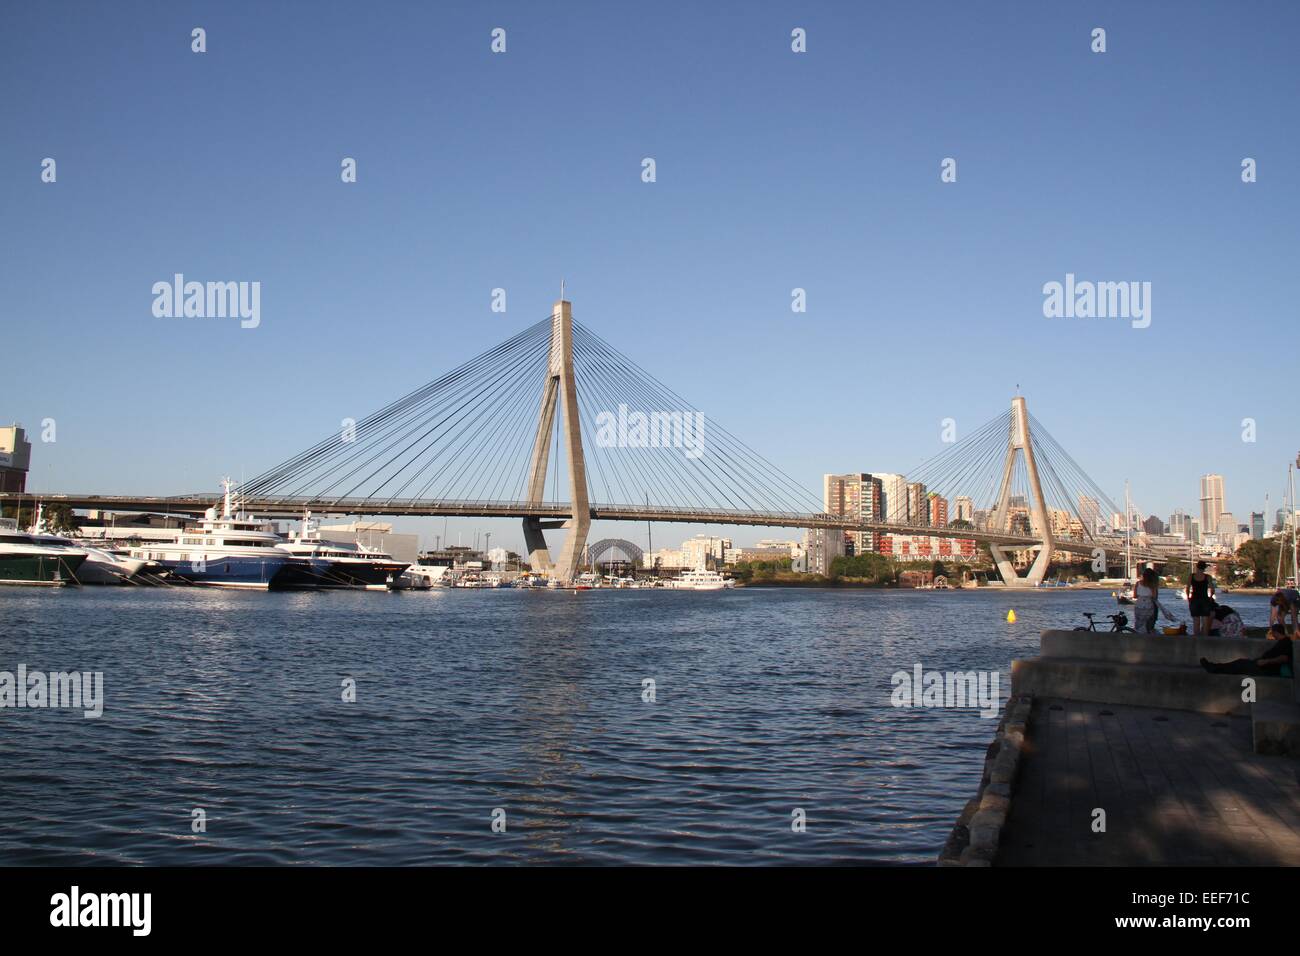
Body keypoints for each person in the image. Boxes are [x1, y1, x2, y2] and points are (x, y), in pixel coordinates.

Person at [1201, 623, 1294, 677]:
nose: (1272, 635)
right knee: (1240, 663)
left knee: (1240, 664)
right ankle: (1214, 666)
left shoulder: (1286, 642)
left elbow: (1284, 658)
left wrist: (1266, 661)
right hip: (1261, 665)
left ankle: (1214, 668)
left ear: (1276, 632)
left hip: (1267, 669)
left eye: (1272, 633)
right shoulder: (1282, 641)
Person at [1186, 561, 1216, 635]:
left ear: (1197, 567)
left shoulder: (1191, 576)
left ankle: (1196, 640)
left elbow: (1187, 588)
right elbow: (1212, 590)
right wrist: (1210, 597)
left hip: (1194, 600)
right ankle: (1205, 640)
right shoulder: (1208, 577)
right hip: (1205, 600)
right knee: (1205, 622)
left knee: (1196, 622)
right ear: (1204, 568)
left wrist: (1188, 598)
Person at [1133, 567, 1160, 633]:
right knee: (1149, 625)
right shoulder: (1152, 584)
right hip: (1149, 606)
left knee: (1138, 624)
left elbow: (1135, 596)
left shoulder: (1137, 583)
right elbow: (1155, 597)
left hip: (1138, 605)